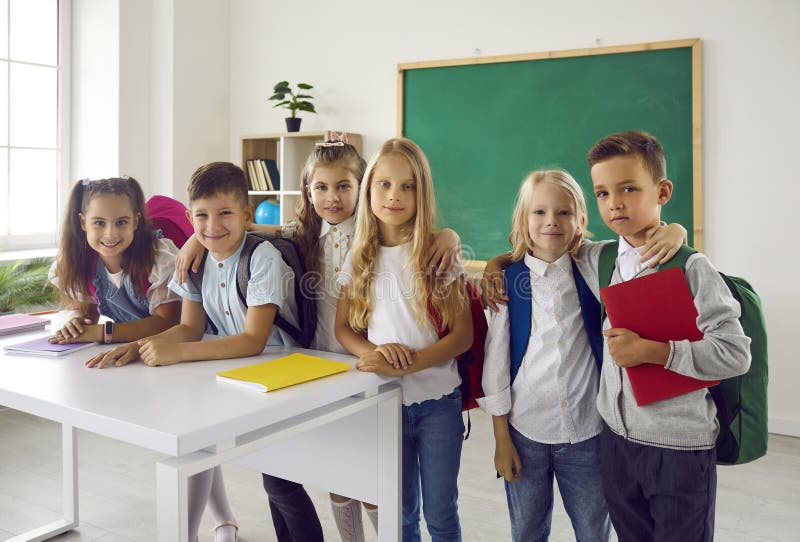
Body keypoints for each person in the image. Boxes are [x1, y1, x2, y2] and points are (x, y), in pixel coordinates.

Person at [174, 135, 463, 542]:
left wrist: (447, 234)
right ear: (307, 191)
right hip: (322, 366)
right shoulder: (300, 234)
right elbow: (242, 224)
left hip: (369, 367)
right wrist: (193, 237)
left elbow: (421, 241)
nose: (332, 198)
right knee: (338, 473)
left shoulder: (371, 235)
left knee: (374, 479)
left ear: (361, 187)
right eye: (321, 187)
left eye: (344, 186)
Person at [588, 130, 751, 541]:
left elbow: (735, 354)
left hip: (678, 446)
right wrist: (496, 263)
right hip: (617, 440)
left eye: (628, 188)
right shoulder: (601, 257)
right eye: (603, 193)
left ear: (662, 191)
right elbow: (544, 242)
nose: (614, 203)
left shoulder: (692, 267)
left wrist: (654, 352)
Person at [335, 137, 472, 542]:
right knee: (400, 512)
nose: (394, 196)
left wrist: (413, 362)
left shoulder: (436, 253)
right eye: (385, 184)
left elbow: (462, 336)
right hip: (386, 402)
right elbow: (343, 328)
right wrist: (374, 353)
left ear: (421, 193)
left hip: (438, 405)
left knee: (441, 513)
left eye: (407, 186)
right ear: (369, 188)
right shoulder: (359, 255)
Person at [48, 177, 181, 367]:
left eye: (121, 222)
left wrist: (103, 333)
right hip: (133, 355)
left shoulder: (158, 258)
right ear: (83, 222)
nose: (111, 234)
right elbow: (87, 308)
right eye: (99, 223)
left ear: (136, 221)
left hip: (169, 353)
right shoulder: (82, 261)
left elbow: (168, 321)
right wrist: (77, 321)